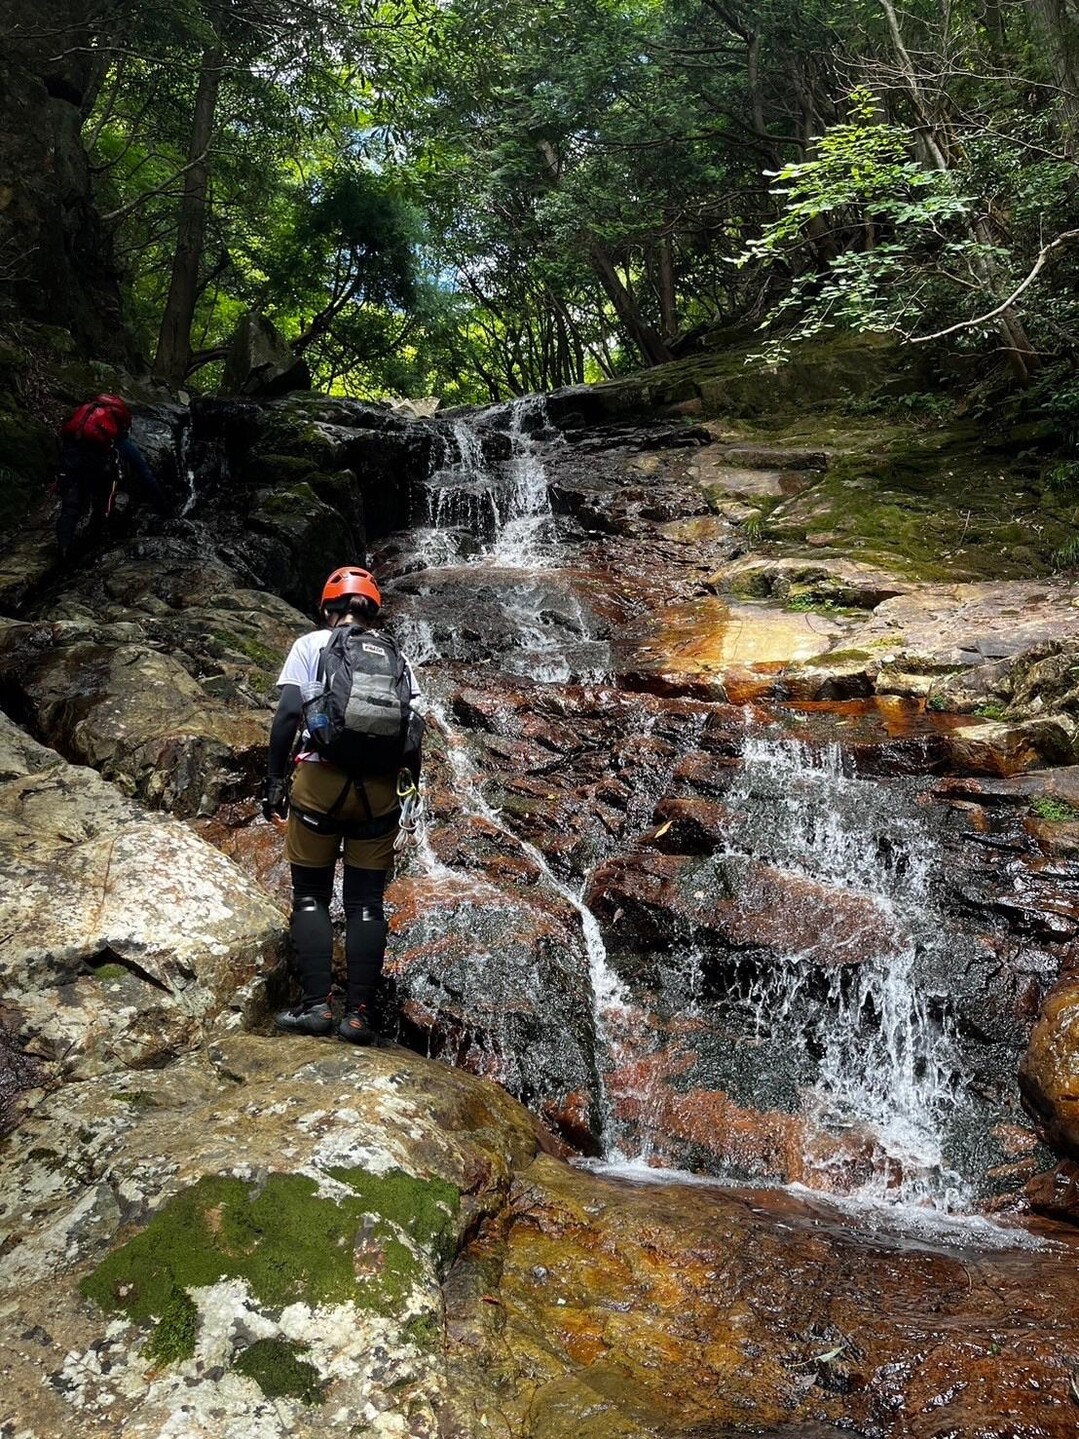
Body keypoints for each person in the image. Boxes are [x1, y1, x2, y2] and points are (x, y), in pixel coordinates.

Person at [263, 565, 422, 1044]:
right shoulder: (398, 657)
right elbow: (412, 735)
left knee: (310, 895)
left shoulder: (311, 646)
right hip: (377, 793)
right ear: (371, 609)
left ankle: (316, 1008)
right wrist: (408, 789)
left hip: (319, 782)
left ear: (328, 607)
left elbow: (289, 714)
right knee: (366, 903)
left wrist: (274, 780)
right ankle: (359, 1017)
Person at [56, 393, 169, 557]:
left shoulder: (81, 424)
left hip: (71, 459)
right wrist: (164, 507)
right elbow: (145, 473)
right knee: (101, 503)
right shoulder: (117, 439)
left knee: (70, 507)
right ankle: (94, 549)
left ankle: (63, 548)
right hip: (96, 469)